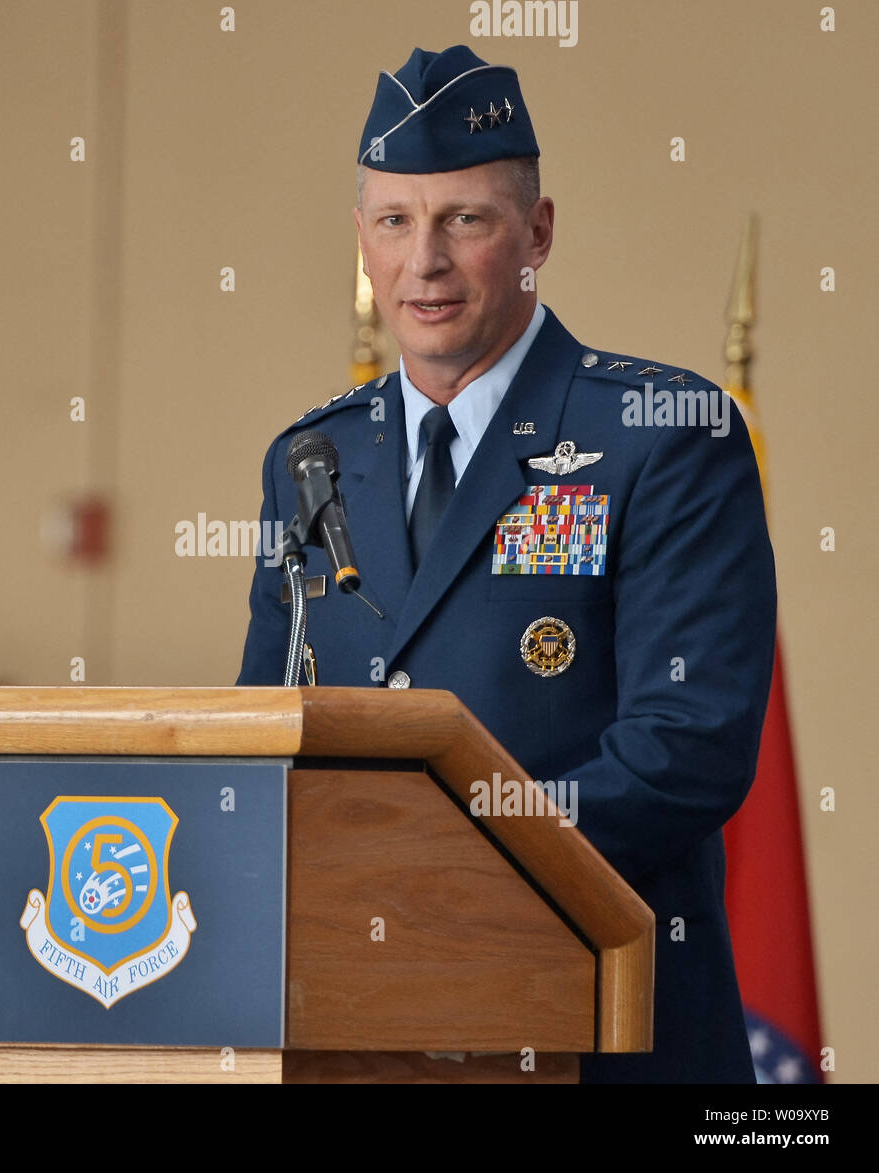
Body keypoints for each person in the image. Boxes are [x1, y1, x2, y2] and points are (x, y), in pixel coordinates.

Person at [235, 44, 777, 1084]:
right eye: (395, 222)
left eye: (465, 221)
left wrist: (440, 860)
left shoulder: (662, 433)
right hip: (354, 1023)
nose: (424, 262)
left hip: (595, 1025)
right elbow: (262, 728)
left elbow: (685, 748)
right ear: (362, 239)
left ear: (538, 233)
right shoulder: (312, 459)